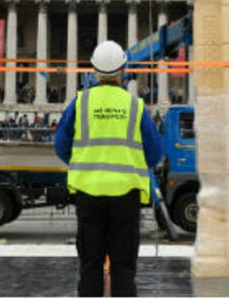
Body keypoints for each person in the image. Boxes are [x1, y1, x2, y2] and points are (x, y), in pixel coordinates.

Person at [54, 40, 164, 297]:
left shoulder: (80, 103)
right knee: (123, 267)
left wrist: (83, 160)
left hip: (88, 196)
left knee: (90, 265)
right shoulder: (135, 106)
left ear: (94, 70)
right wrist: (131, 160)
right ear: (122, 70)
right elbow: (155, 153)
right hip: (126, 198)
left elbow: (60, 145)